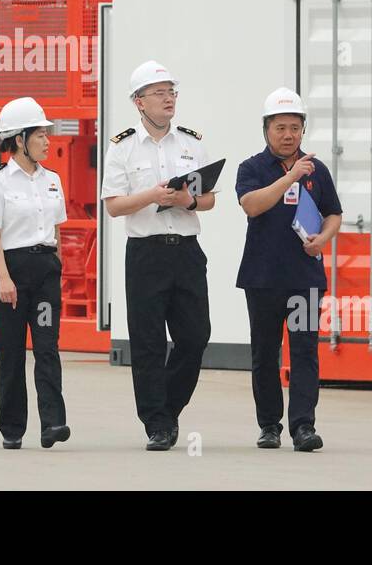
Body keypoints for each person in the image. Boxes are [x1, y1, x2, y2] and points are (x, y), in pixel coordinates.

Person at [101, 60, 215, 451]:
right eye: (159, 93)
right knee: (148, 341)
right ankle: (157, 425)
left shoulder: (190, 142)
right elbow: (114, 206)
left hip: (186, 251)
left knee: (196, 336)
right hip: (146, 254)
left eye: (172, 92)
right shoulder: (123, 146)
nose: (168, 99)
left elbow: (210, 199)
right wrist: (153, 195)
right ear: (139, 102)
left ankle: (167, 408)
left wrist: (188, 199)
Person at [235, 87, 342, 452]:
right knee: (265, 353)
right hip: (263, 280)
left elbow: (333, 213)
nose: (288, 135)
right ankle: (269, 426)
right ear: (266, 130)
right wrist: (291, 177)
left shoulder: (318, 170)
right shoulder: (252, 168)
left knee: (304, 352)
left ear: (303, 130)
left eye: (295, 127)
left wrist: (323, 239)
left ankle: (303, 427)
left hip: (304, 281)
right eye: (280, 127)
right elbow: (252, 205)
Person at [0, 96, 70, 450]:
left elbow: (56, 230)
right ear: (20, 139)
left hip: (45, 272)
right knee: (12, 352)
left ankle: (53, 424)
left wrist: (56, 266)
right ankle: (12, 427)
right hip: (11, 273)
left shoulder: (52, 181)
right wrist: (3, 279)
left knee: (47, 347)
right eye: (41, 134)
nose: (48, 140)